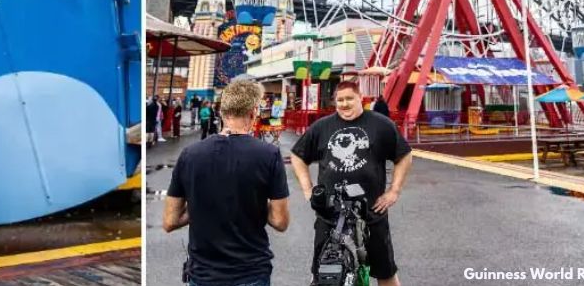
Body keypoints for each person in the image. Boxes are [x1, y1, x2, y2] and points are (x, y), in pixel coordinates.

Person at [163, 79, 290, 286]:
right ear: (253, 112)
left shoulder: (190, 154)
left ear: (222, 113)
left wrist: (204, 204)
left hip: (203, 274)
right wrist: (253, 201)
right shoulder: (269, 154)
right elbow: (280, 221)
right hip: (251, 273)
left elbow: (170, 221)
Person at [290, 81, 413, 286]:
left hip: (371, 214)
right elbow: (297, 156)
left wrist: (394, 190)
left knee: (386, 274)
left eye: (349, 98)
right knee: (323, 274)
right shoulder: (322, 126)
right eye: (340, 100)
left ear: (360, 98)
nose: (344, 104)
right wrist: (307, 188)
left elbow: (404, 155)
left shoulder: (381, 125)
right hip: (330, 216)